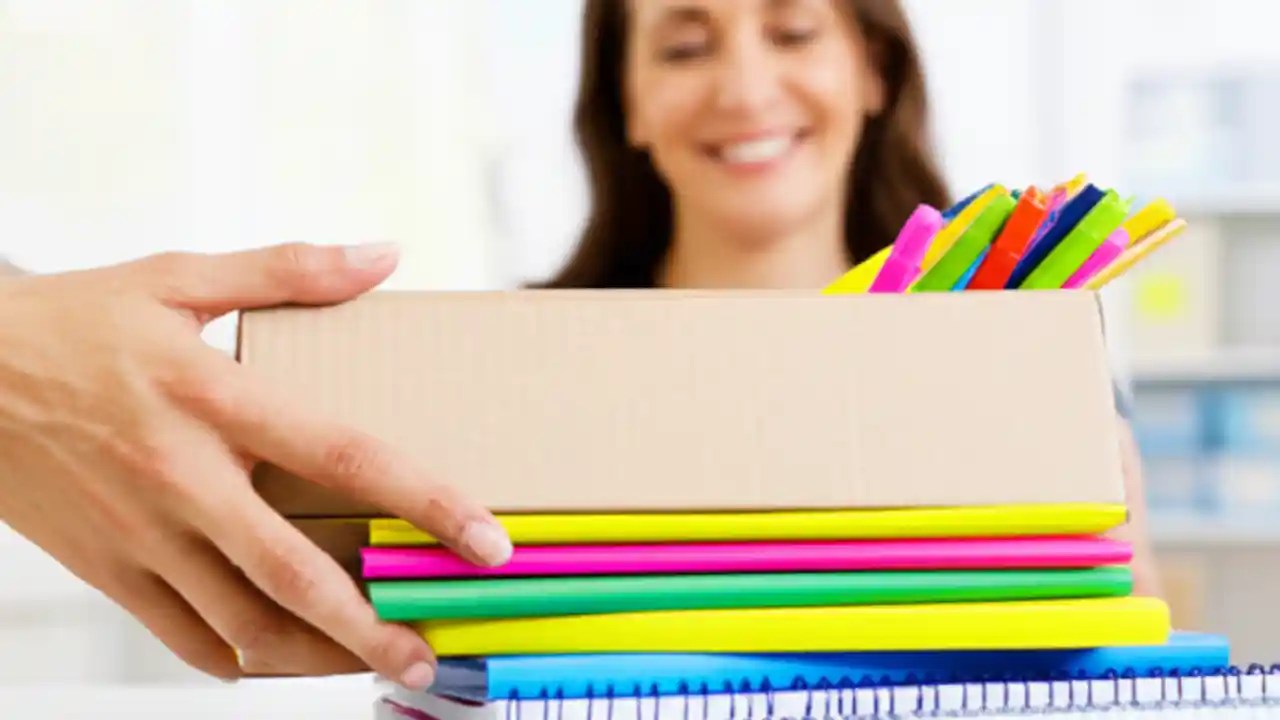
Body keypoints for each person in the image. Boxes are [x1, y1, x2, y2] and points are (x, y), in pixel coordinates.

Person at [0, 0, 1160, 696]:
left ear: (871, 67)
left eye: (794, 28)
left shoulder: (1022, 367)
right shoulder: (495, 376)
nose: (745, 84)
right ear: (629, 106)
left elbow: (1092, 657)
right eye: (683, 45)